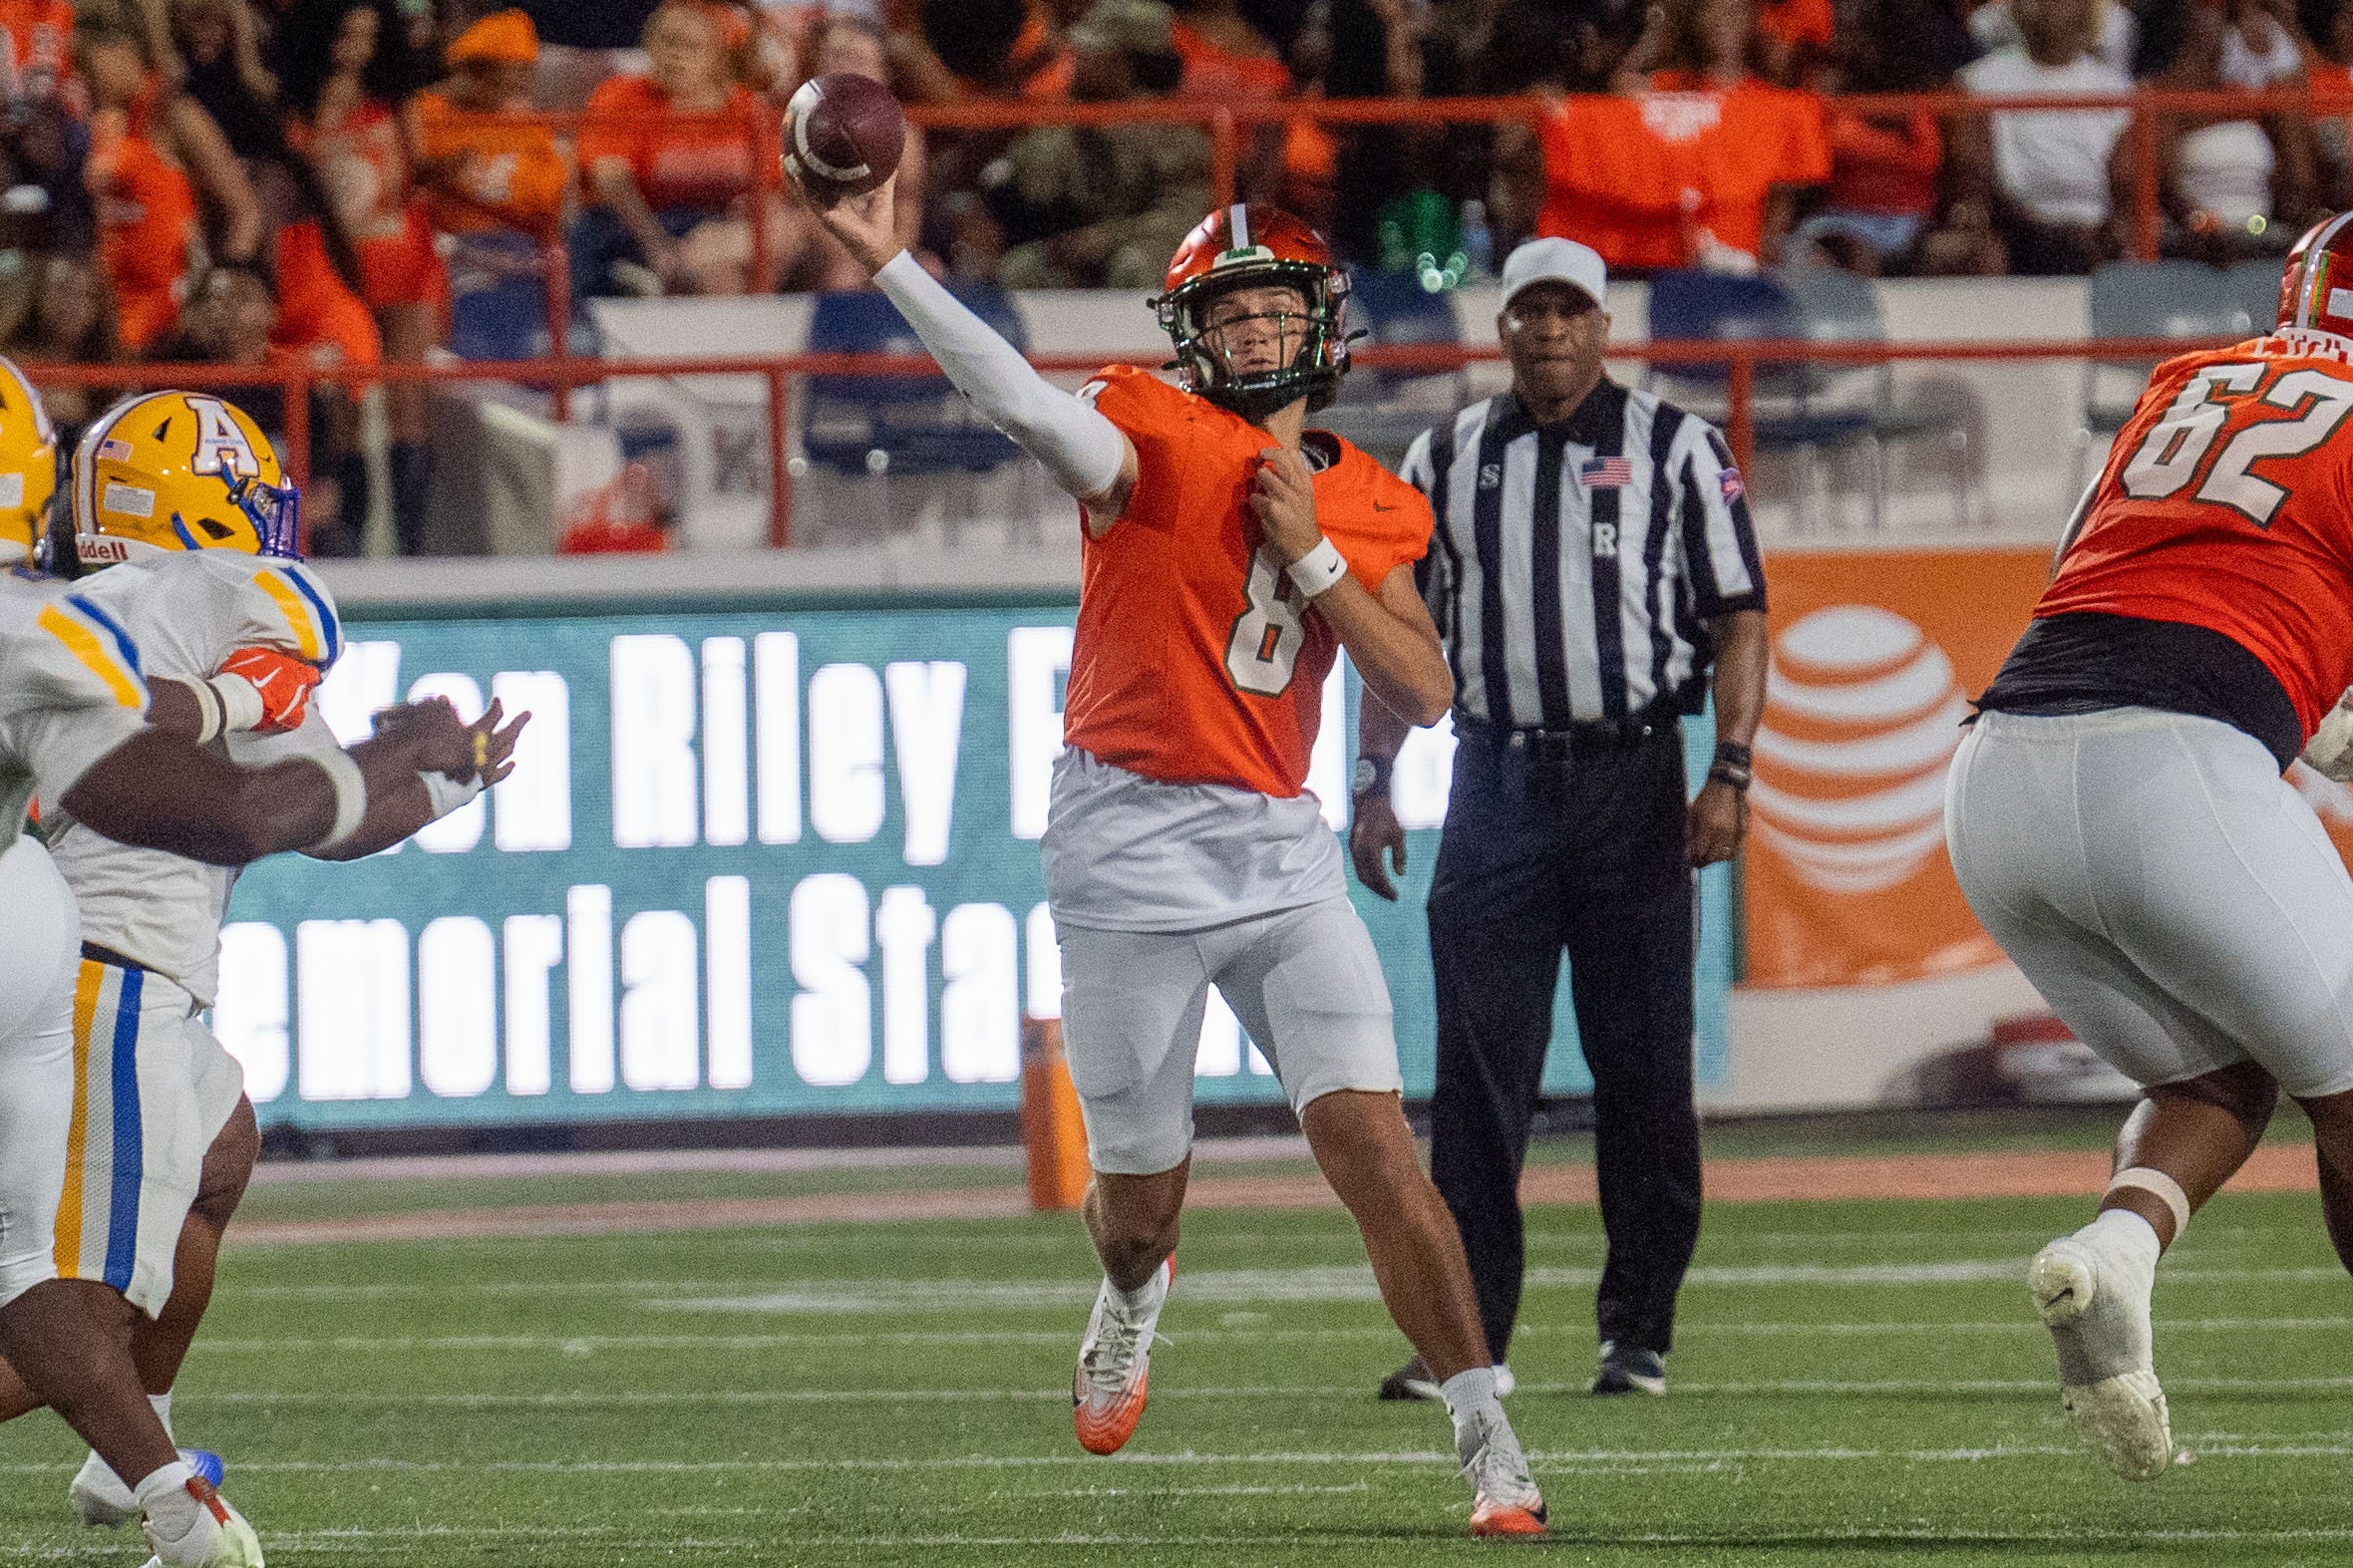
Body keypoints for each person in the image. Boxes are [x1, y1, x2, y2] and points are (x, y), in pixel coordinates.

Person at [800, 168, 1546, 1534]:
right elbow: (1017, 403)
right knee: (1138, 1204)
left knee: (1379, 1149)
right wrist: (896, 265)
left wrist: (1316, 565)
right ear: (1191, 332)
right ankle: (1132, 1295)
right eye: (1232, 313)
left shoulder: (1370, 498)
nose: (1256, 335)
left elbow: (1426, 685)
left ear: (1323, 326)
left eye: (1276, 310)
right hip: (1126, 840)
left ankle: (1488, 1433)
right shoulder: (1142, 424)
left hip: (1278, 846)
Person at [0, 382, 526, 1528]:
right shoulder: (229, 594)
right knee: (55, 1311)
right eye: (245, 498)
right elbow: (289, 800)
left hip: (117, 974)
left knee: (223, 1152)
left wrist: (433, 774)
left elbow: (290, 793)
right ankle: (149, 1470)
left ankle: (129, 1436)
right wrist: (424, 763)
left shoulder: (78, 613)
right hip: (100, 981)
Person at [1943, 213, 2353, 1481]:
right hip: (2173, 767)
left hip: (1995, 777)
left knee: (2216, 1078)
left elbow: (2074, 560)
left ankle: (2115, 1255)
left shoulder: (2182, 380)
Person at [1352, 236, 1766, 1401]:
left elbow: (1738, 616)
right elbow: (1396, 631)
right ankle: (1464, 1336)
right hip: (1491, 782)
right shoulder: (1443, 455)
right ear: (1499, 328)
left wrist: (1727, 770)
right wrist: (1373, 780)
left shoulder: (1677, 449)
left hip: (1632, 781)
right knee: (1477, 1082)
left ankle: (1635, 1328)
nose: (1547, 332)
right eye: (1528, 310)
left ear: (1601, 326)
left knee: (1642, 1072)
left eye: (1568, 311)